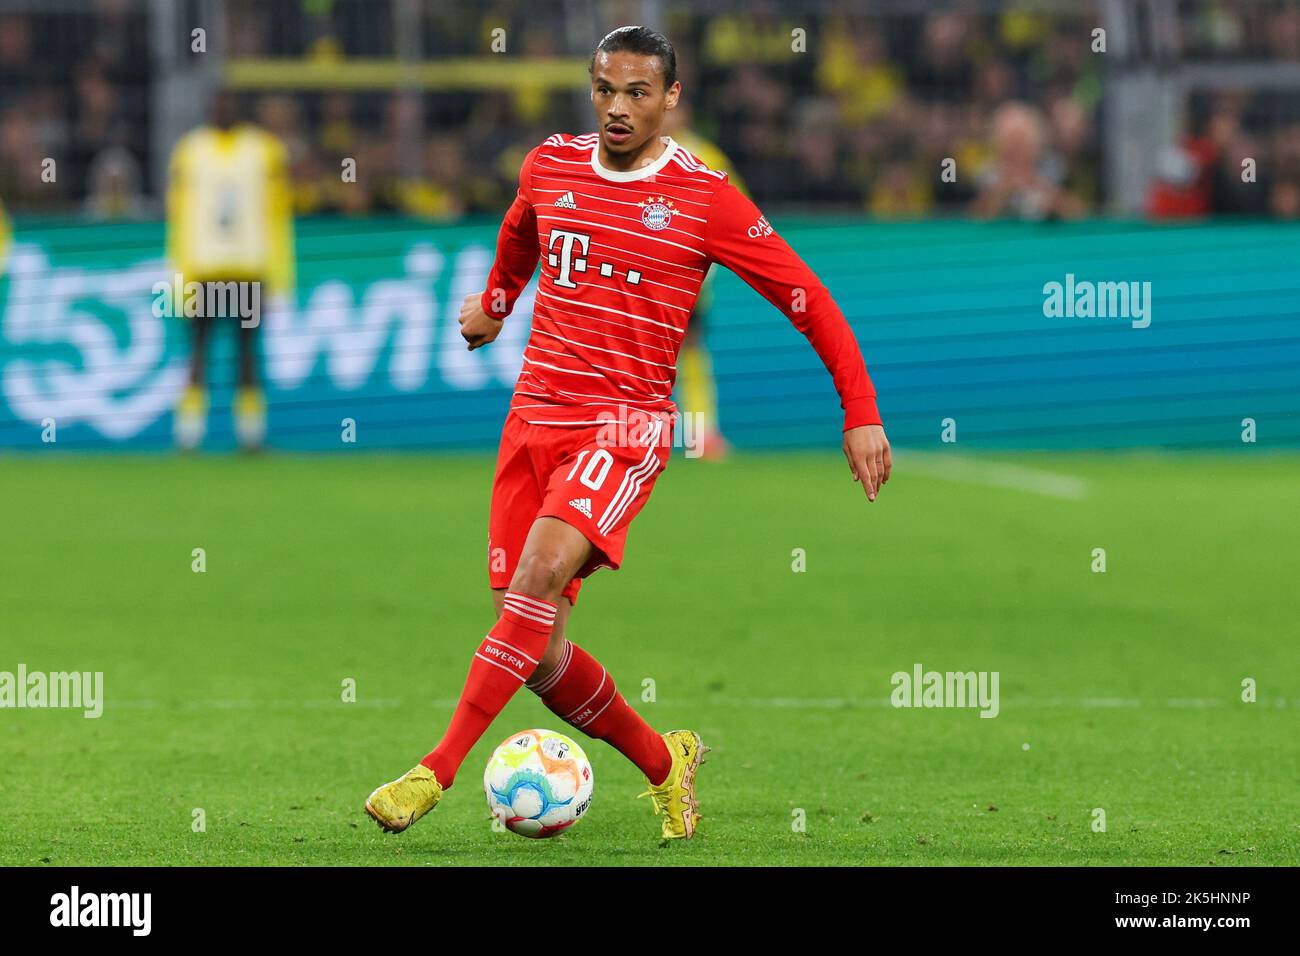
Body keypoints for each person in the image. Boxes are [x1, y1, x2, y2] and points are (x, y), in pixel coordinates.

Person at [365, 26, 891, 842]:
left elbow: (809, 301)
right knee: (535, 651)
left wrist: (859, 411)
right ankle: (663, 761)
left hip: (624, 427)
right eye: (606, 89)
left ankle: (434, 771)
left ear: (671, 98)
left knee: (538, 577)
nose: (618, 107)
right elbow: (520, 235)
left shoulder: (704, 196)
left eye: (638, 92)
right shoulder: (549, 164)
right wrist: (497, 305)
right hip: (532, 422)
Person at [166, 91, 293, 451]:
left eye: (229, 103)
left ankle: (250, 437)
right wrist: (179, 274)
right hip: (204, 270)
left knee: (248, 355)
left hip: (247, 269)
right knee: (197, 352)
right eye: (218, 104)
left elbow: (278, 215)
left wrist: (280, 276)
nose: (224, 109)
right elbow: (178, 216)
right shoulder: (190, 151)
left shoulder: (264, 151)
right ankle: (188, 437)